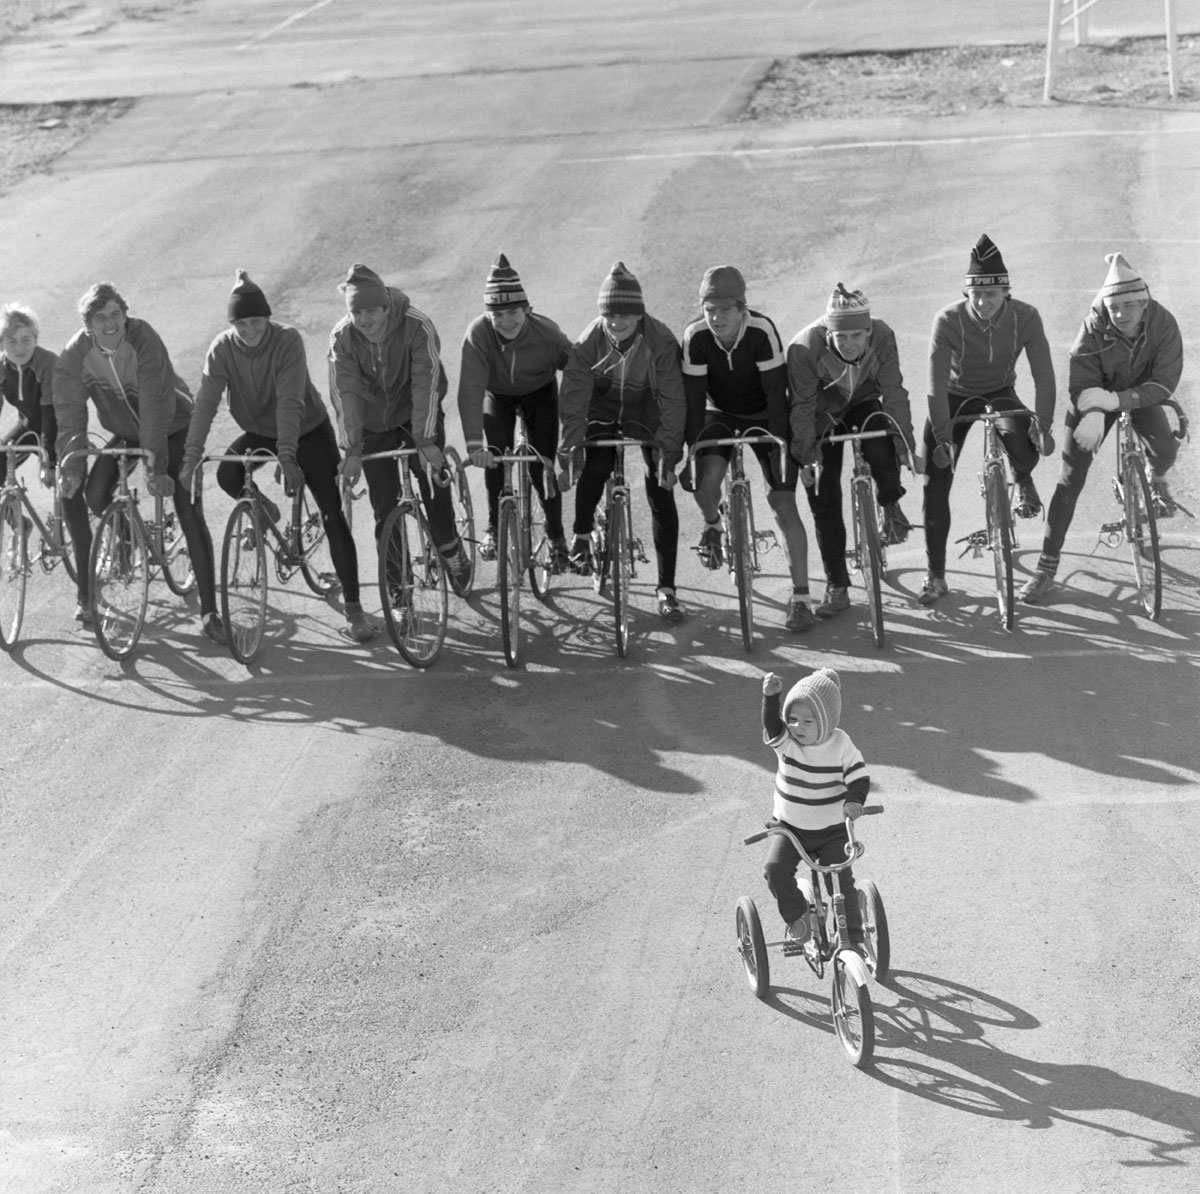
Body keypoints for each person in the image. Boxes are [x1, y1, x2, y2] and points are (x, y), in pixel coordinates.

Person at [180, 271, 377, 643]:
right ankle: (265, 510)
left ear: (267, 318)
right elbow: (205, 403)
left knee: (332, 514)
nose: (250, 329)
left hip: (306, 427)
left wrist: (288, 457)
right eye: (241, 323)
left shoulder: (287, 340)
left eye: (256, 321)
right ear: (232, 323)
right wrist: (191, 457)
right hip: (259, 430)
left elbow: (290, 401)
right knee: (227, 476)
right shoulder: (222, 348)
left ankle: (354, 610)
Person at [53, 282, 226, 643]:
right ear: (88, 326)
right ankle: (131, 534)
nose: (110, 323)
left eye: (116, 314)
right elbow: (70, 414)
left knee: (186, 509)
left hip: (174, 425)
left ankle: (210, 612)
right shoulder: (76, 354)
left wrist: (155, 467)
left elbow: (154, 402)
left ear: (125, 314)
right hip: (128, 431)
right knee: (96, 496)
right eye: (100, 318)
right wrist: (71, 468)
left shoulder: (143, 337)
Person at [1020, 253, 1184, 604]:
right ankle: (1045, 569)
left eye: (1128, 306)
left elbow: (1166, 382)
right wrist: (1094, 412)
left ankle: (1155, 480)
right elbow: (1080, 384)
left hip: (1138, 396)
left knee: (1167, 450)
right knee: (1070, 478)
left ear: (1144, 302)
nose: (1121, 314)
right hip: (1092, 400)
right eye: (1114, 308)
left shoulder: (1164, 323)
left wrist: (1120, 400)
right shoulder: (1091, 330)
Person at [919, 234, 1056, 605]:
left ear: (1006, 292)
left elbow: (1044, 375)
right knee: (935, 483)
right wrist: (943, 435)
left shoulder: (1026, 317)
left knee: (1028, 452)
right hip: (954, 396)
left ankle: (1022, 478)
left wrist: (1042, 426)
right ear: (967, 294)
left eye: (991, 295)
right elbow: (934, 383)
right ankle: (935, 575)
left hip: (999, 391)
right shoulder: (947, 320)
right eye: (975, 295)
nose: (982, 302)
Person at [681, 265, 815, 631]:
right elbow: (693, 403)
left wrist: (782, 449)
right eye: (710, 309)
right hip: (718, 411)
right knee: (705, 481)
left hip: (763, 413)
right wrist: (690, 452)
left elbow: (776, 394)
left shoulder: (761, 330)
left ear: (742, 309)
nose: (716, 317)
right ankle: (713, 524)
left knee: (782, 501)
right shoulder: (694, 336)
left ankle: (802, 598)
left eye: (725, 310)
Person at [327, 263, 470, 593]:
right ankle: (397, 583)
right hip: (374, 426)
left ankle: (449, 546)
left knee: (432, 479)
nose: (364, 319)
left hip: (415, 416)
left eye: (371, 310)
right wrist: (351, 450)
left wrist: (425, 440)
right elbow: (344, 394)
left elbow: (426, 382)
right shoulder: (342, 338)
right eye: (357, 312)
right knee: (384, 507)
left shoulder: (416, 326)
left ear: (386, 307)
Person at [557, 261, 686, 622]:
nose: (616, 322)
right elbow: (573, 402)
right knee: (596, 465)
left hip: (647, 409)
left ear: (639, 314)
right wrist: (570, 451)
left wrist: (669, 456)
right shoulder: (588, 344)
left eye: (624, 315)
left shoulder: (660, 340)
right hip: (603, 407)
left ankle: (667, 590)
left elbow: (674, 399)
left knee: (659, 488)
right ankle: (582, 535)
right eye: (609, 315)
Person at [787, 283, 917, 620]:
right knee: (823, 495)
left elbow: (894, 392)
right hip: (821, 414)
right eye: (840, 337)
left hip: (863, 402)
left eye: (857, 336)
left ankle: (890, 504)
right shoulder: (804, 348)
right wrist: (805, 458)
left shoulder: (883, 336)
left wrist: (905, 446)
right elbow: (801, 407)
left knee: (881, 446)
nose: (848, 344)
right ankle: (838, 586)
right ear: (828, 331)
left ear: (869, 331)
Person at [457, 253, 572, 568]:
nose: (506, 321)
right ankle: (495, 526)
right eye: (498, 315)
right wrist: (473, 445)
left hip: (540, 393)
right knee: (495, 457)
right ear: (488, 315)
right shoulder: (478, 334)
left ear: (527, 310)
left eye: (513, 312)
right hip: (499, 395)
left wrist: (579, 424)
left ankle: (556, 535)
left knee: (541, 467)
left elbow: (578, 374)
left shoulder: (548, 335)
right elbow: (470, 390)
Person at [761, 667, 869, 944]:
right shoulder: (787, 743)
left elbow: (858, 777)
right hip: (789, 828)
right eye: (793, 719)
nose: (797, 727)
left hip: (832, 829)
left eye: (808, 721)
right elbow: (773, 726)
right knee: (775, 870)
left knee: (841, 884)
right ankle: (799, 916)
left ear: (827, 722)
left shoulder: (841, 744)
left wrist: (854, 801)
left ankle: (854, 938)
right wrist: (771, 699)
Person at [1, 303, 92, 621]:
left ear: (36, 338)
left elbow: (52, 420)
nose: (20, 347)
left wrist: (48, 462)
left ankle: (86, 598)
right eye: (11, 341)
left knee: (72, 507)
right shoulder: (2, 366)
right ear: (2, 345)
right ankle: (19, 522)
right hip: (31, 425)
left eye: (26, 339)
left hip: (64, 426)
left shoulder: (48, 365)